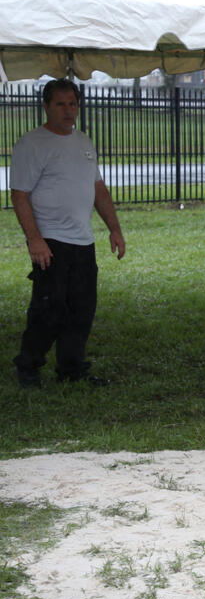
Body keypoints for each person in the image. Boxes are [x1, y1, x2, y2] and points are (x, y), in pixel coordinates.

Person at [10, 79, 125, 389]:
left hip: (83, 241)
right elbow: (19, 195)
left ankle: (72, 371)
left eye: (72, 104)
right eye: (60, 104)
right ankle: (28, 368)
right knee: (48, 309)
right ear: (46, 106)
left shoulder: (84, 142)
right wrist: (35, 239)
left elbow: (97, 188)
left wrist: (114, 229)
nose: (68, 111)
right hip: (51, 241)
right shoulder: (31, 144)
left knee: (81, 311)